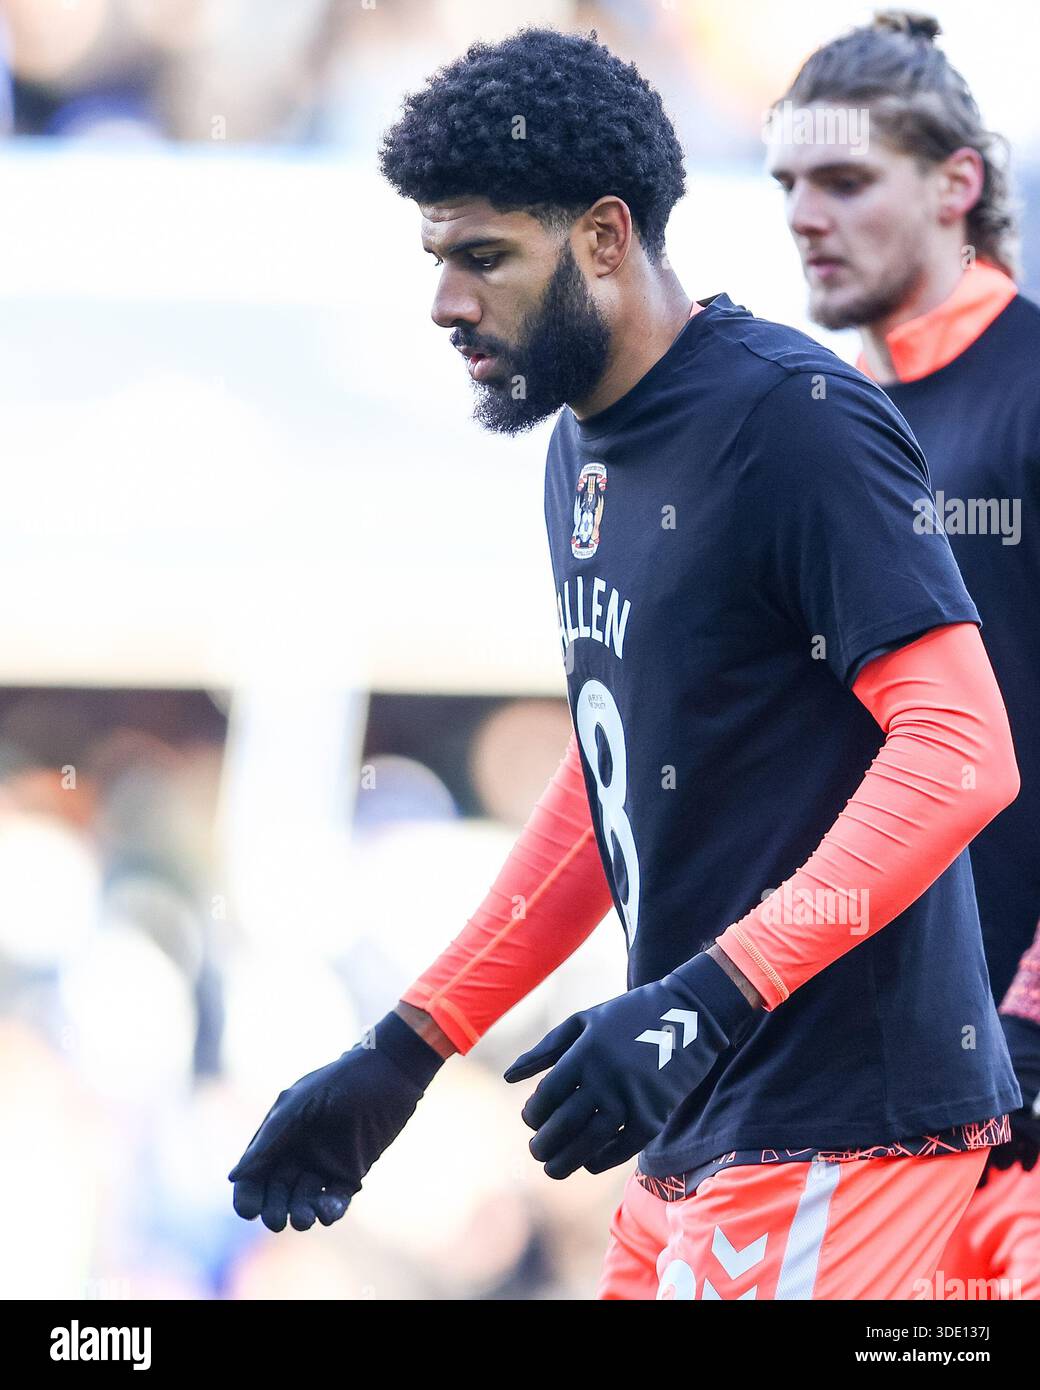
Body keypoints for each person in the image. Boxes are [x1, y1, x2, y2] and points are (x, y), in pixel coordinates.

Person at [229, 27, 1022, 1300]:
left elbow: (958, 751)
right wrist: (409, 1043)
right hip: (702, 1128)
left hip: (842, 1126)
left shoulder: (790, 421)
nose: (444, 300)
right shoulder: (580, 445)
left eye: (482, 257)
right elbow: (616, 782)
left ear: (603, 237)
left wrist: (703, 996)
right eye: (437, 257)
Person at [768, 8, 1040, 1299]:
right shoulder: (831, 426)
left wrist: (1033, 1016)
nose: (804, 217)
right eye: (788, 186)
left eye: (844, 181)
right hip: (876, 1113)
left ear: (957, 186)